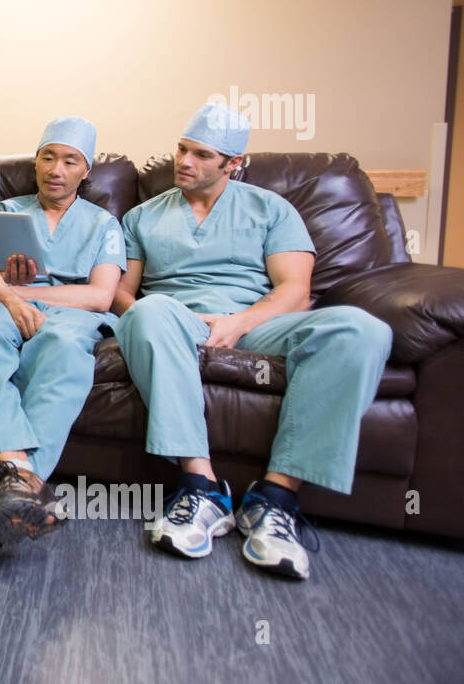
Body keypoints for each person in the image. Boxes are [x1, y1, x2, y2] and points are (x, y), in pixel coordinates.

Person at [112, 103, 393, 579]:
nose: (184, 161)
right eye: (182, 149)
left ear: (233, 164)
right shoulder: (141, 217)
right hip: (173, 319)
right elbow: (122, 291)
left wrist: (238, 323)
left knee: (362, 329)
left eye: (203, 154)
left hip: (256, 321)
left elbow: (294, 291)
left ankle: (276, 499)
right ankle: (201, 488)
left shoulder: (272, 209)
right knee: (147, 310)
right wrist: (171, 316)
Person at [0, 117, 125, 566]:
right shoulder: (4, 212)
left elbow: (100, 295)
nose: (55, 169)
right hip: (3, 305)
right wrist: (7, 297)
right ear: (36, 161)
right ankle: (21, 483)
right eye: (47, 156)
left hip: (72, 315)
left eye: (69, 160)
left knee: (61, 350)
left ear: (86, 171)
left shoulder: (104, 224)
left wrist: (29, 294)